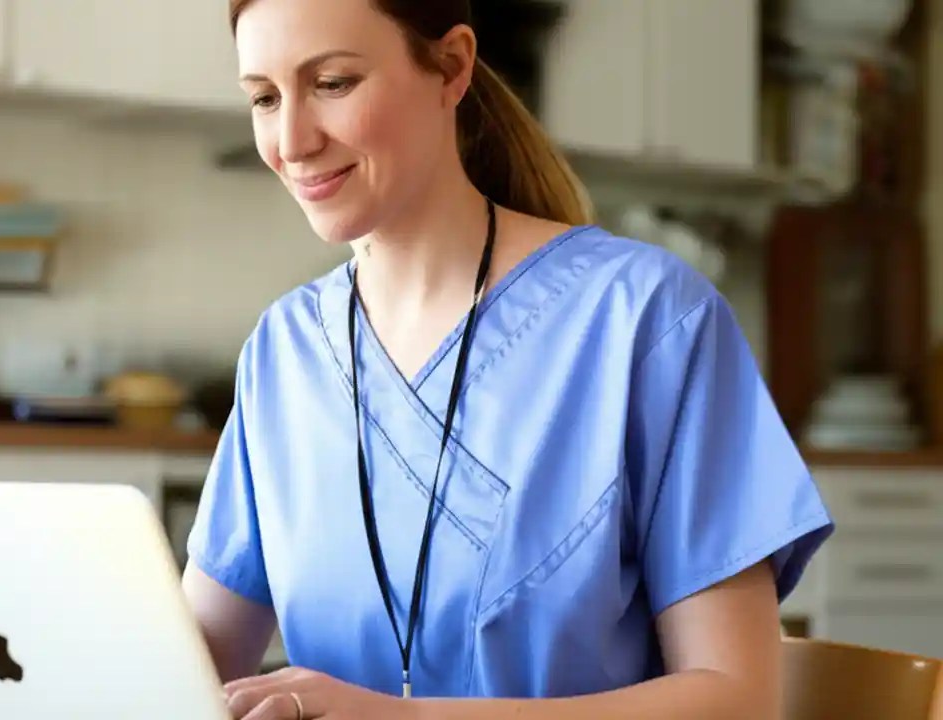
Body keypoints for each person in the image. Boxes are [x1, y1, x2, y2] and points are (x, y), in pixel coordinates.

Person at [180, 0, 834, 718]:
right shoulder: (286, 351)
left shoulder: (643, 317)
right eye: (264, 98)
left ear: (452, 67)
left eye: (333, 83)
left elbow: (737, 700)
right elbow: (179, 668)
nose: (292, 140)